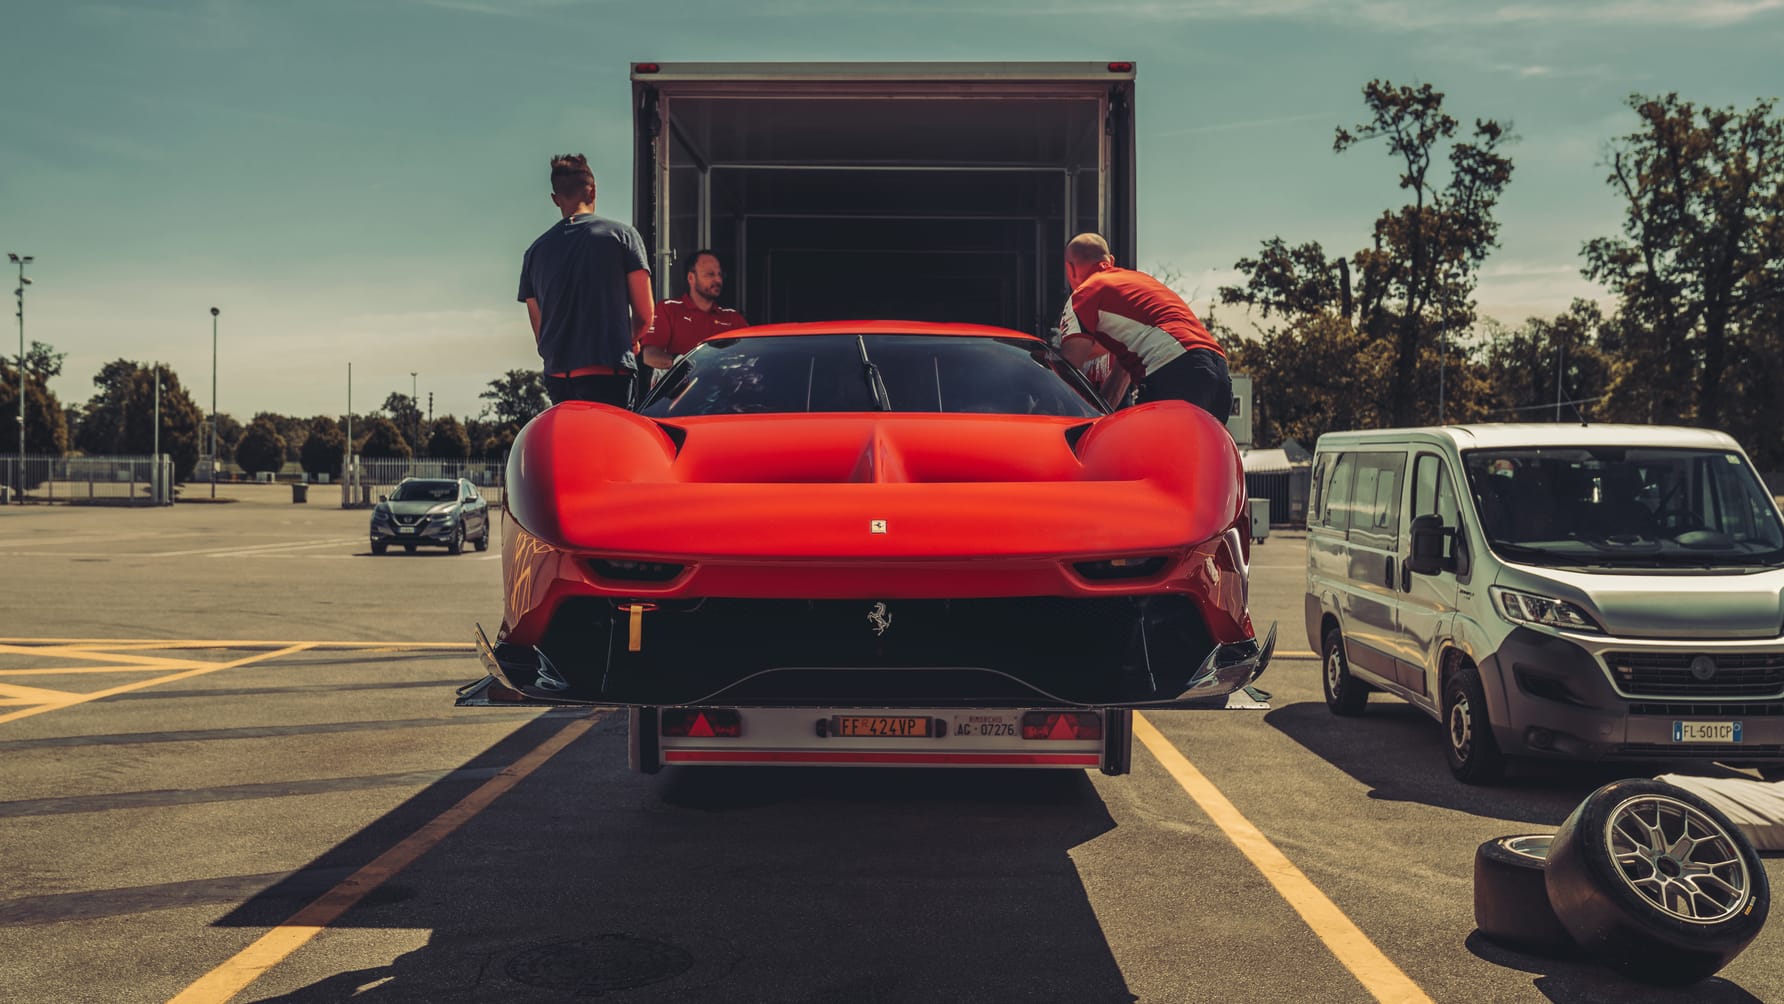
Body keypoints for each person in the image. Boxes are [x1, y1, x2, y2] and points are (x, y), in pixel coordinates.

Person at [517, 153, 653, 407]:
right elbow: (645, 315)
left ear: (556, 199)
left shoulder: (534, 252)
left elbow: (540, 333)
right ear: (593, 192)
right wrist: (628, 339)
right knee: (610, 446)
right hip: (610, 374)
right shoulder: (623, 236)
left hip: (559, 377)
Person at [1055, 233, 1230, 421]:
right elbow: (1121, 376)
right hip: (1219, 371)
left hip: (1173, 373)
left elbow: (1068, 373)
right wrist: (1098, 421)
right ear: (1111, 261)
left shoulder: (1084, 295)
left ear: (1070, 269)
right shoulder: (1140, 283)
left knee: (1148, 449)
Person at [641, 249, 748, 372]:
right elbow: (649, 356)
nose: (718, 280)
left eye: (719, 274)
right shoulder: (668, 309)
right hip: (684, 390)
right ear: (691, 278)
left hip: (723, 388)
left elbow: (751, 356)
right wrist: (680, 364)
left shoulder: (733, 318)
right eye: (710, 274)